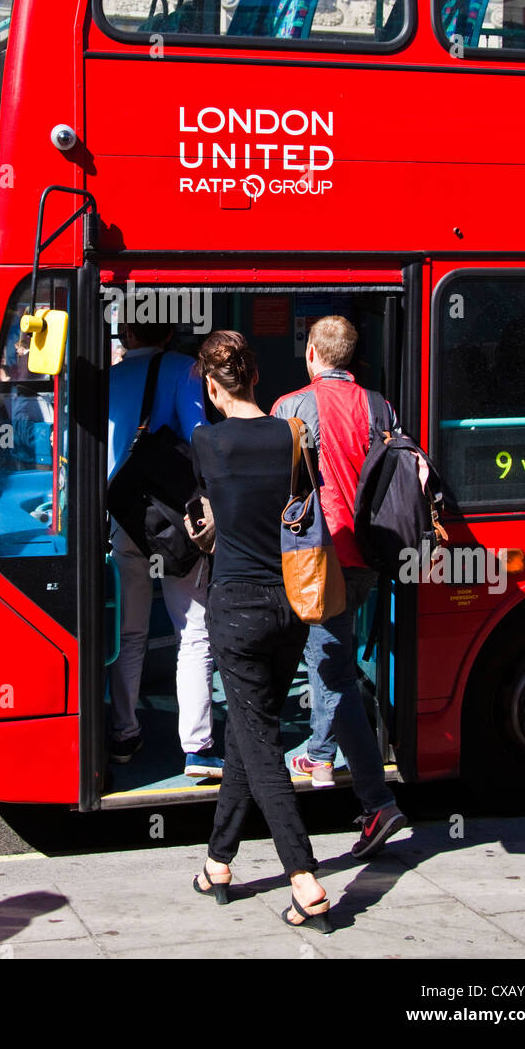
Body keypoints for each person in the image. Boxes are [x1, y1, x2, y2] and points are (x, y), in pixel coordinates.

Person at [188, 331, 330, 930]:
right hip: (293, 599)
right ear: (254, 380)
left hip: (236, 602)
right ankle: (219, 862)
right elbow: (300, 506)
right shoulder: (292, 433)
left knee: (261, 743)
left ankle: (305, 879)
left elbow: (216, 515)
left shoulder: (206, 441)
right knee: (253, 730)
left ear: (215, 388)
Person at [272, 315, 407, 859]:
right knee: (335, 652)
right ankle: (325, 753)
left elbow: (277, 487)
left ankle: (330, 761)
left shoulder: (289, 407)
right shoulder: (381, 406)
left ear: (311, 352)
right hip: (370, 552)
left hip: (315, 556)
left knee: (331, 661)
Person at [108, 317, 222, 779]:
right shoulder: (184, 369)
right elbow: (198, 435)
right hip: (174, 517)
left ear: (128, 335)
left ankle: (123, 733)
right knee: (193, 631)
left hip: (122, 517)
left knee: (129, 632)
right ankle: (196, 747)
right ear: (170, 333)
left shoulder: (106, 378)